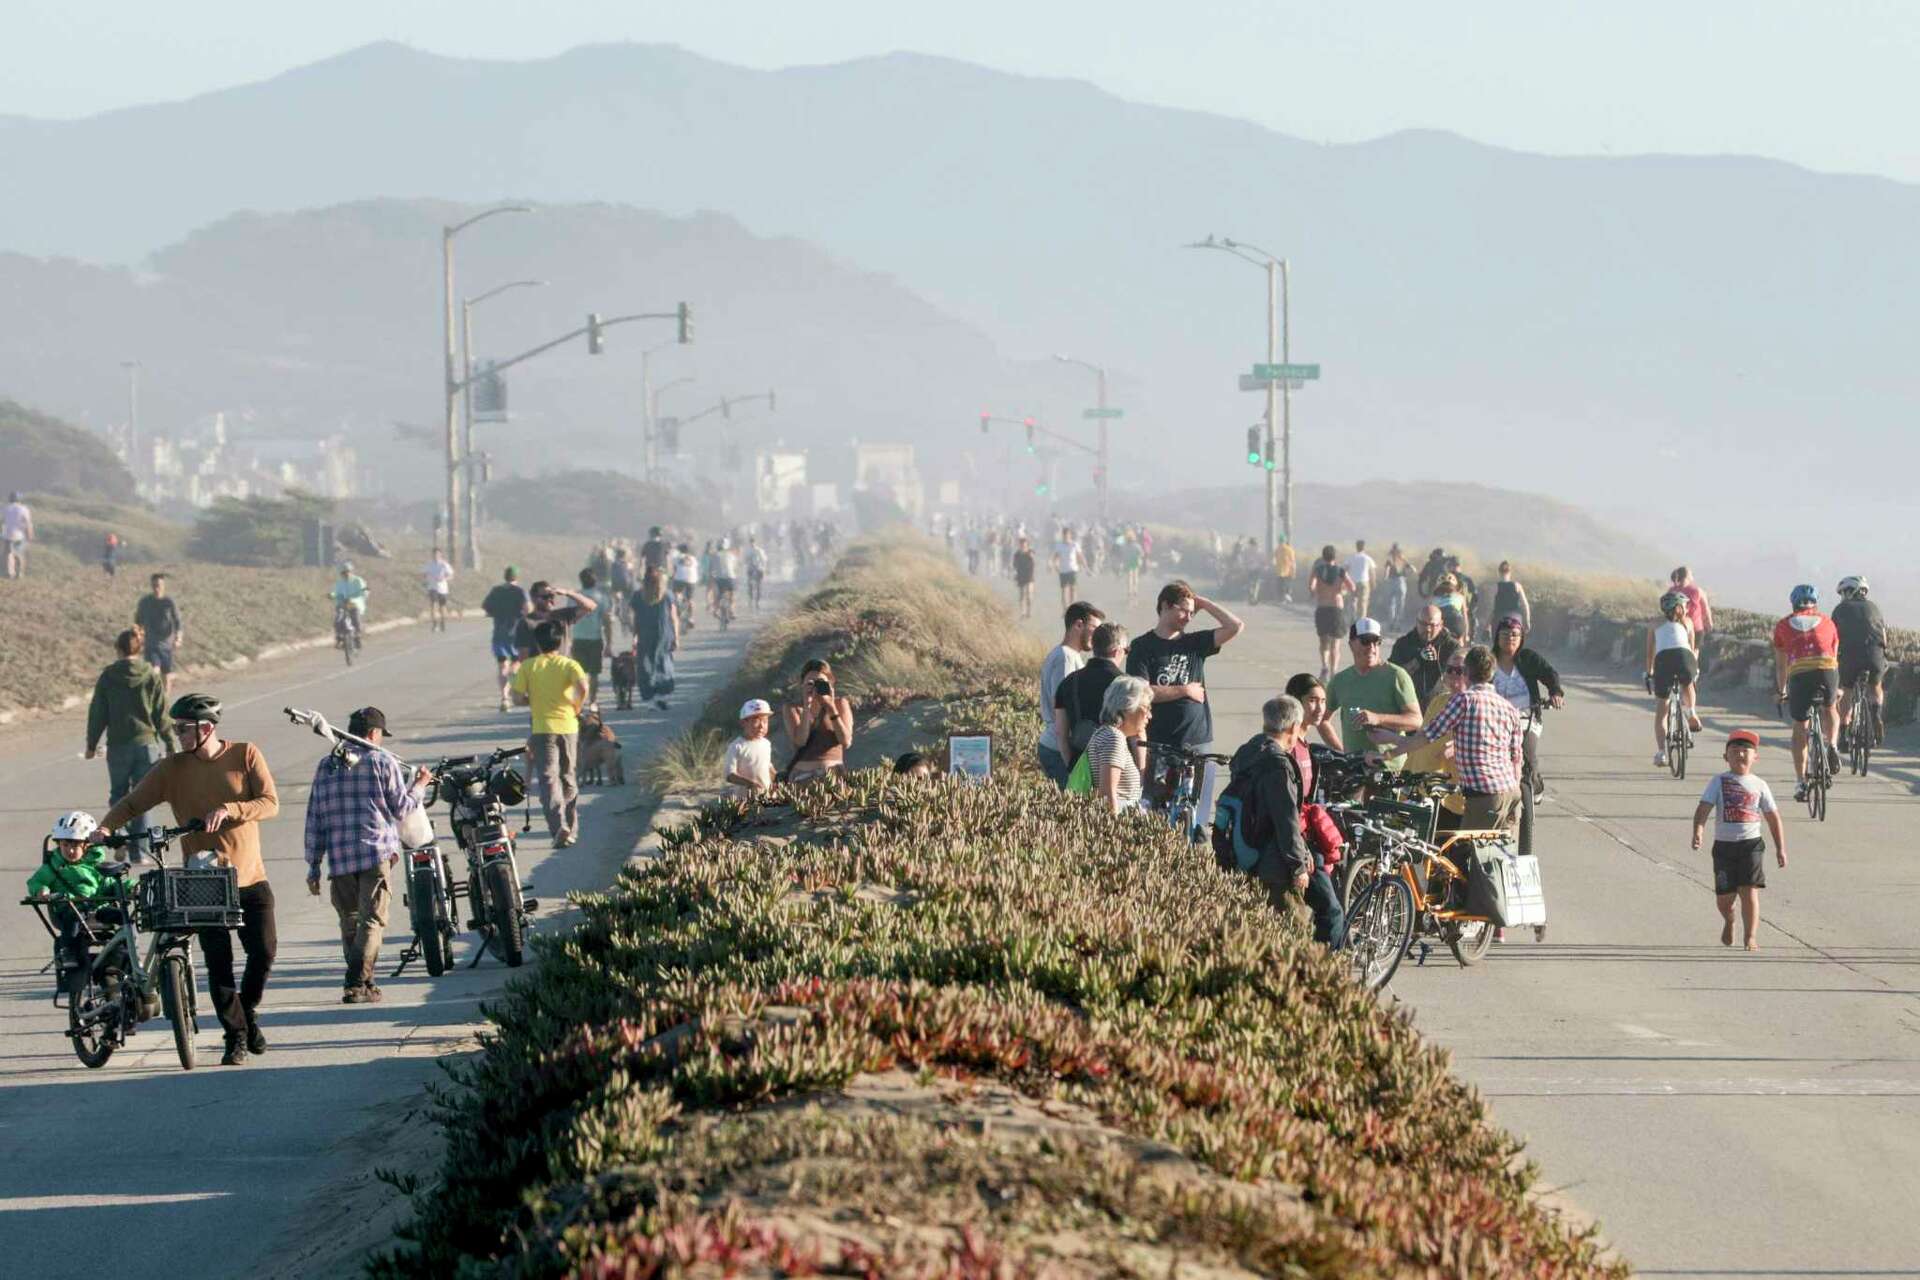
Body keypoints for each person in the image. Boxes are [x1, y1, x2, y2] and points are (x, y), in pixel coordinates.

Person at [99, 693, 280, 1066]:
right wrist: (105, 828)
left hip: (249, 877)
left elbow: (269, 802)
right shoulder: (171, 769)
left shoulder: (245, 754)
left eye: (183, 729)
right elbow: (133, 803)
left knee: (264, 952)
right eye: (176, 728)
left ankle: (246, 1011)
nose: (177, 735)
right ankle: (236, 1037)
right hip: (203, 883)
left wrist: (230, 809)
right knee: (219, 963)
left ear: (206, 728)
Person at [302, 707, 429, 1003]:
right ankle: (356, 981)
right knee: (372, 921)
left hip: (340, 858)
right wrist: (420, 786)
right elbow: (402, 808)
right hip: (375, 854)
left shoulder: (326, 765)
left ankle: (364, 984)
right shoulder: (382, 761)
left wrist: (314, 865)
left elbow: (315, 817)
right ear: (373, 733)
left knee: (350, 921)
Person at [1227, 694, 1344, 945]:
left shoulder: (1247, 752)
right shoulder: (1278, 766)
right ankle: (1322, 967)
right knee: (1298, 930)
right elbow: (1286, 821)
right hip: (1274, 863)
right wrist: (1298, 866)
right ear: (1293, 727)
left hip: (1245, 853)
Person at [1691, 730, 1787, 952]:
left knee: (1749, 891)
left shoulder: (1760, 785)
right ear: (1726, 757)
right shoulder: (1718, 781)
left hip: (1751, 845)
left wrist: (1780, 848)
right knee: (1724, 899)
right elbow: (1704, 808)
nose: (1740, 754)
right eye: (1734, 750)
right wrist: (1698, 830)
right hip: (1724, 847)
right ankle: (1729, 918)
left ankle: (1750, 937)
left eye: (1745, 750)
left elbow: (1773, 817)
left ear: (1755, 757)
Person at [1127, 581, 1245, 758]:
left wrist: (1205, 604)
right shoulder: (1141, 646)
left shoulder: (1195, 643)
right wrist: (1185, 690)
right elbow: (1141, 692)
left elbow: (1235, 626)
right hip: (1159, 743)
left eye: (1192, 612)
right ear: (1165, 606)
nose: (1189, 618)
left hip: (1198, 742)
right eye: (1183, 610)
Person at [1417, 646, 1525, 838]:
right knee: (1497, 850)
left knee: (1467, 850)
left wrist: (1392, 749)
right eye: (1449, 669)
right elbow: (1514, 757)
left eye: (1459, 670)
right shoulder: (1439, 702)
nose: (1453, 675)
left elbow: (1426, 737)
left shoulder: (1464, 701)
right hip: (1497, 794)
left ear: (1468, 672)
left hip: (1477, 798)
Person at [85, 627, 175, 840]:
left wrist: (91, 745)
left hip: (118, 746)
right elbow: (161, 713)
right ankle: (140, 849)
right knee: (142, 797)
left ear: (118, 649)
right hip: (147, 744)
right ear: (140, 648)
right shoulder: (151, 675)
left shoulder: (108, 676)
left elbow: (98, 713)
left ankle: (119, 835)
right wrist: (170, 743)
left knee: (118, 794)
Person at [510, 621, 589, 847]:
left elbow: (516, 697)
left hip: (543, 729)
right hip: (569, 727)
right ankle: (572, 828)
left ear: (537, 643)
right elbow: (583, 687)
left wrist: (532, 700)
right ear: (560, 642)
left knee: (548, 779)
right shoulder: (570, 664)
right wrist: (576, 706)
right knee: (568, 776)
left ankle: (558, 827)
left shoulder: (529, 666)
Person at [26, 811, 126, 986]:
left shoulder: (96, 865)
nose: (70, 850)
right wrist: (42, 890)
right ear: (58, 844)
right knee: (73, 917)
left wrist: (131, 887)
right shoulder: (54, 866)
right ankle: (68, 952)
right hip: (69, 909)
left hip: (98, 910)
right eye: (65, 845)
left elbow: (111, 883)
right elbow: (36, 881)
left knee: (124, 919)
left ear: (87, 845)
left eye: (75, 845)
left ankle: (119, 960)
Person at [1772, 584, 1840, 802]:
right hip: (1827, 671)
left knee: (1800, 726)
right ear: (1815, 604)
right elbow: (1834, 655)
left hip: (1800, 675)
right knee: (1830, 707)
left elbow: (1781, 666)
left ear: (1793, 604)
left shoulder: (1783, 625)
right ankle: (1833, 745)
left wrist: (1781, 691)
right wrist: (1835, 688)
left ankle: (1801, 782)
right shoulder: (1828, 622)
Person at [1325, 619, 1422, 771]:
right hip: (1353, 769)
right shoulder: (1340, 680)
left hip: (1389, 769)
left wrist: (1378, 718)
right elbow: (1322, 720)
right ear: (1351, 644)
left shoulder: (1396, 675)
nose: (1371, 647)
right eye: (1365, 641)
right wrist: (1341, 752)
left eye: (1376, 641)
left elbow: (1416, 720)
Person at [1489, 613, 1563, 798]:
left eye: (1515, 634)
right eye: (1505, 634)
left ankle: (1534, 784)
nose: (1510, 638)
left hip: (1526, 718)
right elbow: (1473, 679)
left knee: (1528, 755)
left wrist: (1555, 693)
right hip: (1495, 721)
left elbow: (1549, 673)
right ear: (1497, 637)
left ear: (1521, 638)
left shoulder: (1528, 658)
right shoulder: (1489, 661)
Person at [1038, 601, 1104, 786]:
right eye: (1094, 628)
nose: (1097, 636)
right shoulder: (1065, 657)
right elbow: (1063, 705)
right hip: (1059, 748)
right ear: (1078, 625)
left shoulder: (1069, 655)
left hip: (1058, 745)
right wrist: (1070, 761)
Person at [1055, 622, 1128, 769]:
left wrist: (1072, 768)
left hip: (1081, 766)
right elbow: (1135, 735)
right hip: (1117, 768)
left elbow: (1061, 735)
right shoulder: (1127, 685)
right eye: (1126, 650)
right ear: (1116, 651)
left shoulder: (1068, 682)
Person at [1646, 591, 1703, 768]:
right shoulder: (1688, 622)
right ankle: (1691, 712)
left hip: (1663, 660)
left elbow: (1649, 653)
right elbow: (1691, 650)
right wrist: (1695, 669)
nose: (1687, 609)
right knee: (1688, 684)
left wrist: (1649, 673)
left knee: (1661, 710)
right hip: (1685, 657)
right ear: (1680, 608)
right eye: (1685, 606)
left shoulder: (1654, 623)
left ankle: (1662, 752)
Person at [1832, 575, 1888, 747]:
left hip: (1850, 655)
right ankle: (1876, 712)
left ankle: (1843, 732)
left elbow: (1832, 637)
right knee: (1875, 685)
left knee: (1847, 690)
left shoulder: (1840, 609)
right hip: (1874, 655)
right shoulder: (1875, 608)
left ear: (1851, 591)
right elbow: (1884, 638)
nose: (1842, 596)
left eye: (1843, 592)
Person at [782, 658, 855, 785]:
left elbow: (846, 741)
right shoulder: (792, 708)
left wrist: (831, 707)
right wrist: (807, 707)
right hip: (802, 776)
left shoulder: (840, 703)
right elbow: (800, 741)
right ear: (802, 685)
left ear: (830, 684)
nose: (815, 687)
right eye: (810, 683)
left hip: (833, 774)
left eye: (820, 682)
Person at [1088, 676, 1152, 813]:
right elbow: (1107, 793)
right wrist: (1114, 823)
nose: (1149, 715)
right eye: (1146, 708)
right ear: (1128, 707)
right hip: (1115, 820)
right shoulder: (1113, 738)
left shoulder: (1107, 734)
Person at [1388, 605, 1461, 707]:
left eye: (1432, 625)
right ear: (1417, 622)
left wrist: (1437, 664)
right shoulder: (1403, 644)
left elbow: (1458, 680)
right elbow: (1392, 676)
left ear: (1441, 625)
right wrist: (1417, 661)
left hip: (1441, 706)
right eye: (1423, 624)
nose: (1428, 629)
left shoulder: (1451, 647)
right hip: (1409, 704)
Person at [482, 566, 532, 712]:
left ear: (505, 576)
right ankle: (513, 682)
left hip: (499, 634)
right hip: (517, 634)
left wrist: (495, 612)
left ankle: (504, 698)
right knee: (517, 664)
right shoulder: (520, 591)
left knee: (502, 666)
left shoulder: (496, 590)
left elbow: (486, 607)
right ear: (516, 576)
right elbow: (528, 609)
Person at [628, 566, 679, 709]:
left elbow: (635, 618)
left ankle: (649, 697)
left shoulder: (638, 595)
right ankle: (662, 694)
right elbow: (674, 617)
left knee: (645, 665)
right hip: (664, 633)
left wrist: (634, 635)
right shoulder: (667, 595)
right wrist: (676, 637)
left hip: (645, 634)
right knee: (664, 662)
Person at [515, 579, 599, 660]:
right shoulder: (526, 623)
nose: (549, 599)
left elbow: (590, 606)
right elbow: (523, 655)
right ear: (533, 598)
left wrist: (568, 593)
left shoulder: (561, 615)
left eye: (551, 596)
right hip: (540, 667)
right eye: (545, 597)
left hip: (561, 666)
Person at [1307, 547, 1354, 679]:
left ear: (1323, 557)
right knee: (1335, 643)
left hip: (1322, 607)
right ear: (1335, 557)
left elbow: (1311, 586)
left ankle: (1324, 666)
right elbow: (1352, 587)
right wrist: (1342, 591)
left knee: (1323, 640)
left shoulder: (1318, 570)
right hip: (1336, 608)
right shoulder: (1341, 571)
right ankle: (1334, 672)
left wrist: (1318, 592)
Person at [569, 568, 613, 707]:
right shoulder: (601, 597)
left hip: (578, 638)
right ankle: (593, 701)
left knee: (579, 673)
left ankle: (579, 701)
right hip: (595, 638)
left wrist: (567, 640)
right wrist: (609, 643)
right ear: (596, 581)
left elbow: (568, 619)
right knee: (594, 673)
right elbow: (607, 621)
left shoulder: (574, 598)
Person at [134, 573, 184, 695]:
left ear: (163, 586)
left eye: (159, 585)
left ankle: (165, 701)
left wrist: (178, 638)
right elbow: (138, 622)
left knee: (166, 676)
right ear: (151, 586)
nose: (157, 588)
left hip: (166, 645)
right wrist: (138, 637)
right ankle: (153, 698)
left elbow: (178, 622)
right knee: (154, 672)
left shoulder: (169, 602)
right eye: (154, 585)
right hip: (151, 645)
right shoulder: (145, 602)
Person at [724, 699, 776, 797]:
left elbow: (767, 765)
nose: (761, 726)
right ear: (743, 723)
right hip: (744, 799)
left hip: (767, 797)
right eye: (756, 721)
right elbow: (729, 775)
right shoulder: (736, 746)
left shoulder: (766, 744)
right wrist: (750, 784)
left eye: (765, 721)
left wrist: (776, 778)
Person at [1671, 566, 1715, 677]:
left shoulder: (1672, 590)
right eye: (1691, 574)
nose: (1692, 576)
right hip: (1695, 628)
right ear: (1686, 576)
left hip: (1680, 628)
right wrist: (1709, 622)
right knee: (1693, 652)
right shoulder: (1697, 591)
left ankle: (1685, 673)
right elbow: (1705, 607)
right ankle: (1691, 674)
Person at [330, 562, 369, 644]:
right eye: (343, 573)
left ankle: (357, 635)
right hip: (343, 604)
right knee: (338, 619)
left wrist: (364, 593)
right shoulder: (340, 583)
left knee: (355, 618)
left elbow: (364, 590)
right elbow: (336, 593)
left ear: (351, 571)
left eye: (347, 572)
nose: (346, 574)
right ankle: (339, 636)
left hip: (354, 603)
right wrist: (331, 595)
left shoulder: (358, 580)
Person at [1490, 562, 1530, 633]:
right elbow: (1525, 605)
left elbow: (1491, 609)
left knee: (1496, 637)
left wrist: (1487, 626)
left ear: (1499, 572)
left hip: (1500, 619)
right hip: (1515, 618)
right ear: (1510, 572)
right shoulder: (1517, 586)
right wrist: (1527, 621)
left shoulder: (1495, 587)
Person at [1431, 571, 1470, 642]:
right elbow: (1465, 618)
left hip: (1443, 623)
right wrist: (1466, 635)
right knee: (1458, 644)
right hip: (1457, 622)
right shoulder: (1460, 597)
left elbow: (1430, 616)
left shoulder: (1434, 599)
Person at [1344, 540, 1376, 625]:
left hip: (1352, 582)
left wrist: (1344, 582)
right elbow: (1372, 572)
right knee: (1363, 602)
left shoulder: (1351, 557)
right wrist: (1373, 583)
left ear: (1356, 547)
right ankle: (1361, 621)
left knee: (1352, 601)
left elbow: (1345, 569)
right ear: (1364, 547)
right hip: (1364, 582)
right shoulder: (1367, 558)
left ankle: (1352, 618)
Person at [1051, 527, 1085, 608]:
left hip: (1073, 569)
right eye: (1064, 535)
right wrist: (1054, 565)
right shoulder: (1059, 545)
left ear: (1070, 535)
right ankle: (1065, 608)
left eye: (1067, 534)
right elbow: (1055, 557)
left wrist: (1084, 565)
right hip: (1063, 570)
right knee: (1064, 590)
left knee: (1073, 589)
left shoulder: (1075, 544)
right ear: (1062, 535)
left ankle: (1073, 607)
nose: (1066, 536)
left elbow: (1080, 555)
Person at [669, 543, 701, 628]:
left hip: (679, 579)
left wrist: (671, 577)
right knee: (690, 599)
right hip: (691, 579)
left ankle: (678, 603)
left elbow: (674, 569)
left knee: (676, 593)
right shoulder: (693, 558)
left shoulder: (677, 557)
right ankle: (691, 617)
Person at [1379, 544, 1410, 630]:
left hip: (1391, 582)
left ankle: (1391, 623)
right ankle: (1398, 623)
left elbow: (1387, 570)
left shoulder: (1390, 560)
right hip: (1401, 581)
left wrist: (1385, 578)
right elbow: (1411, 568)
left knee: (1391, 604)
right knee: (1401, 604)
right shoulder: (1402, 560)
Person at [2, 491, 32, 579]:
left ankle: (10, 573)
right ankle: (20, 573)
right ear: (19, 499)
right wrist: (30, 535)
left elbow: (2, 521)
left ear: (10, 499)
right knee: (19, 554)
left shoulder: (6, 508)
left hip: (8, 535)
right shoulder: (24, 509)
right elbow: (28, 523)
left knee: (9, 554)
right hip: (20, 536)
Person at [423, 550, 454, 632]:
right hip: (432, 588)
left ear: (441, 555)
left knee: (442, 607)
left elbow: (451, 576)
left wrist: (444, 578)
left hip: (442, 589)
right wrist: (426, 579)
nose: (436, 556)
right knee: (433, 605)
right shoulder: (429, 564)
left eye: (438, 554)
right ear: (432, 555)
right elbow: (424, 574)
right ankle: (435, 624)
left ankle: (442, 622)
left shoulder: (444, 564)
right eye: (434, 554)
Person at [712, 538, 742, 620]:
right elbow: (736, 567)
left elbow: (712, 568)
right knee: (732, 594)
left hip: (719, 578)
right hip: (730, 577)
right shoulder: (731, 555)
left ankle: (716, 609)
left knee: (718, 595)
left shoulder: (715, 555)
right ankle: (732, 611)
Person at [1011, 537, 1037, 618]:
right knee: (1022, 595)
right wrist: (1015, 573)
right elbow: (1014, 565)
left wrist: (1032, 557)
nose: (1023, 546)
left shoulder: (1031, 552)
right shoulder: (1017, 554)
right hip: (1021, 575)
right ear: (1019, 545)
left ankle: (1029, 611)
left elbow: (1034, 563)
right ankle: (1023, 612)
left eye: (1024, 545)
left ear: (1027, 545)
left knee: (1029, 595)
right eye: (1021, 545)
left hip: (1029, 575)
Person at [745, 537, 769, 611]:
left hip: (758, 569)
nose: (752, 543)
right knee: (751, 585)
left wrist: (764, 568)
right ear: (750, 543)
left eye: (753, 542)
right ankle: (751, 599)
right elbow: (745, 560)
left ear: (755, 542)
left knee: (758, 586)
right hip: (752, 569)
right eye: (751, 542)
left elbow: (764, 560)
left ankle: (757, 601)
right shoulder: (749, 550)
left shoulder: (759, 550)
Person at [1272, 537, 1296, 605]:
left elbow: (1274, 560)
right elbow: (1293, 561)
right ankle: (1285, 598)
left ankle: (1283, 599)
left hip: (1281, 571)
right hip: (1287, 571)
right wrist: (1294, 571)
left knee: (1281, 586)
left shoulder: (1278, 549)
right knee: (1286, 586)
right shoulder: (1289, 549)